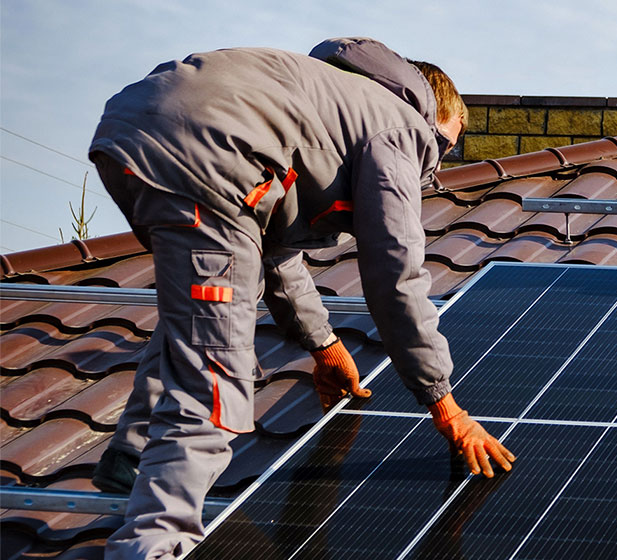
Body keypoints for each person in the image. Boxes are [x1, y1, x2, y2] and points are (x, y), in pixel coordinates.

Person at [87, 37, 514, 559]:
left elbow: (272, 252)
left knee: (202, 313)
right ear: (431, 109)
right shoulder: (399, 126)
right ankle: (154, 543)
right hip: (207, 153)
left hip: (132, 135)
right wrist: (444, 404)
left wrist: (325, 346)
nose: (435, 168)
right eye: (444, 147)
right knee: (217, 368)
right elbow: (396, 272)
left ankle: (131, 458)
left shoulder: (319, 103)